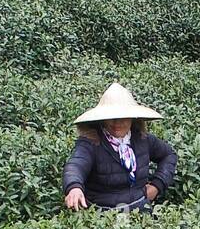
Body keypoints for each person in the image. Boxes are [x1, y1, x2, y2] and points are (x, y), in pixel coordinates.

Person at [62, 82, 177, 213]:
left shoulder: (142, 139)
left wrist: (157, 185)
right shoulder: (90, 142)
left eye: (123, 118)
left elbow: (169, 155)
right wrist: (74, 187)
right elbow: (76, 165)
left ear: (132, 118)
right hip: (103, 216)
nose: (117, 123)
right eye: (111, 118)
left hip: (141, 213)